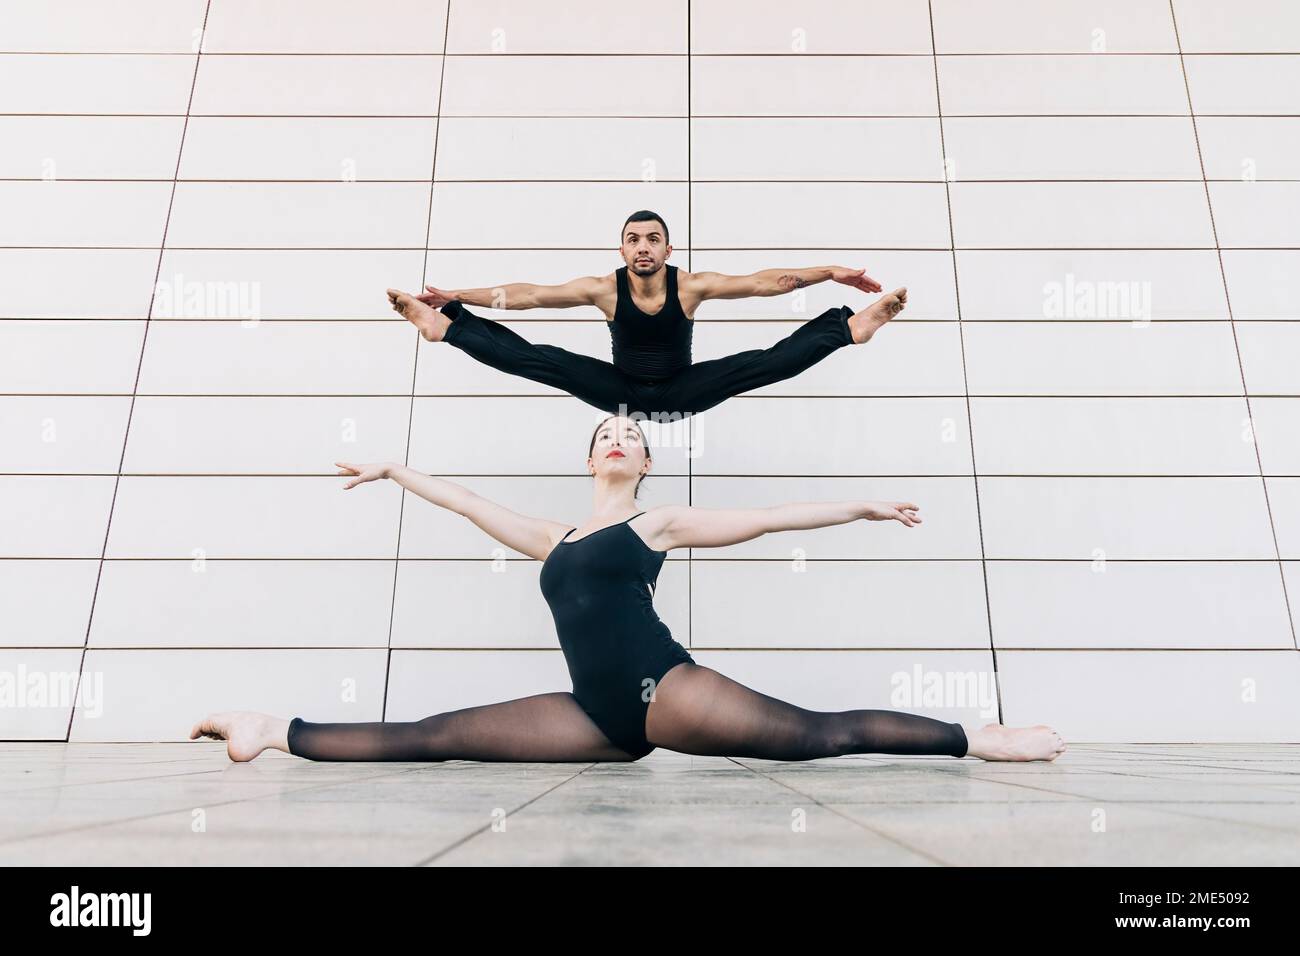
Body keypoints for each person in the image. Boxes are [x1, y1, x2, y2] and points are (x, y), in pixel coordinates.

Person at [191, 415, 1067, 765]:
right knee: (437, 736)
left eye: (631, 436)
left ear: (645, 461)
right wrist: (394, 468)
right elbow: (463, 503)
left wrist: (859, 507)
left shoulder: (655, 523)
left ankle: (974, 738)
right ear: (588, 458)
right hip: (595, 711)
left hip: (664, 690)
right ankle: (276, 730)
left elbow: (763, 518)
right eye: (605, 433)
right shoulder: (553, 537)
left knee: (818, 734)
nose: (618, 440)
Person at [385, 209, 906, 419]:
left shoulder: (692, 286)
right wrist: (457, 295)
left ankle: (848, 328)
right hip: (622, 393)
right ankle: (445, 327)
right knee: (542, 360)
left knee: (761, 365)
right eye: (633, 240)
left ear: (668, 249)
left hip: (682, 392)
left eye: (652, 239)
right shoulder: (603, 290)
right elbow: (529, 296)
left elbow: (764, 283)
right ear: (621, 251)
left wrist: (832, 272)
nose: (643, 247)